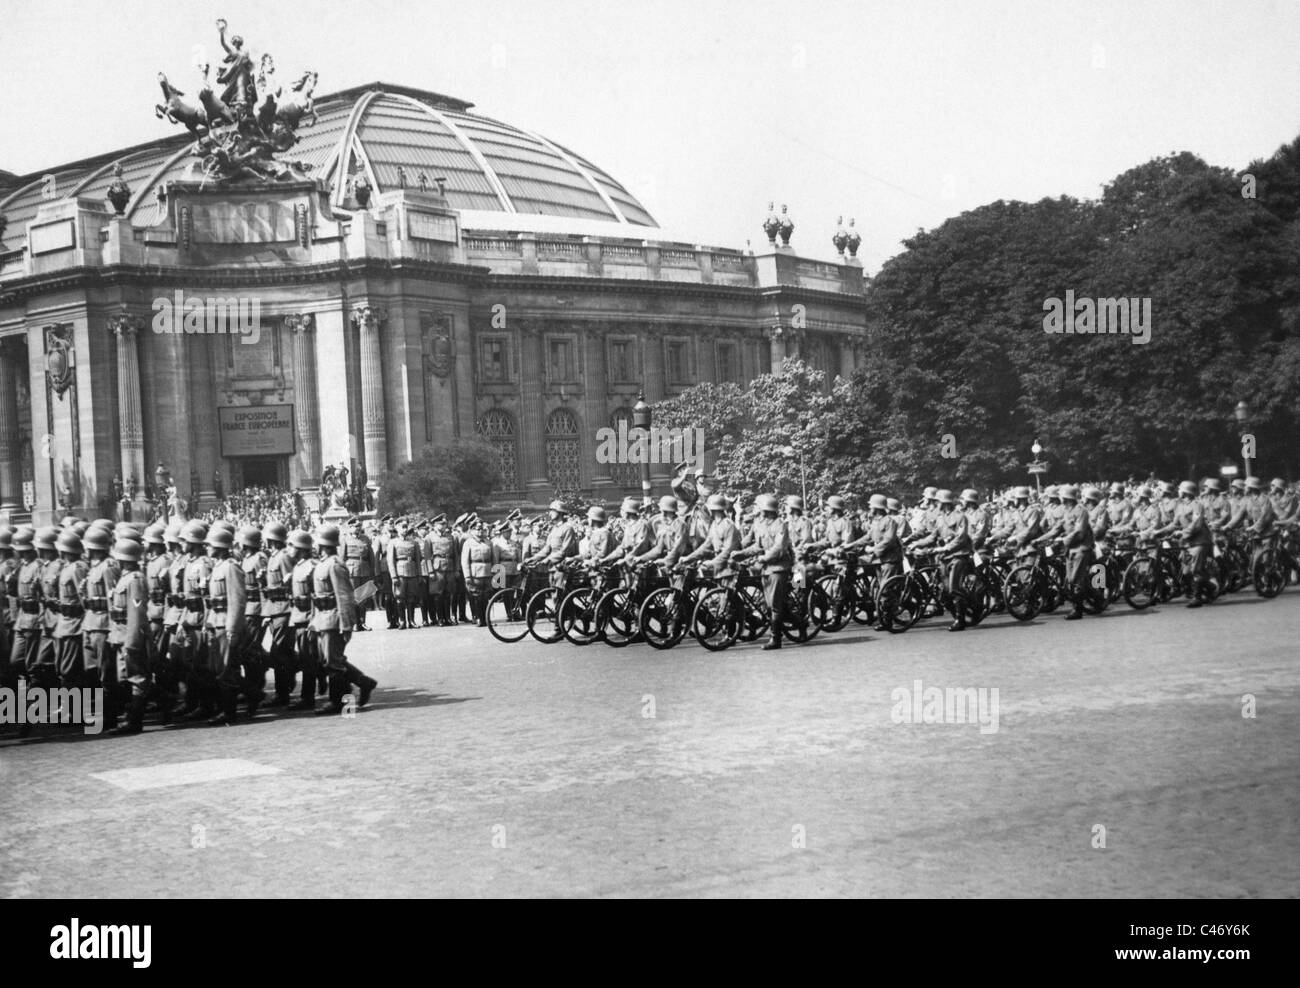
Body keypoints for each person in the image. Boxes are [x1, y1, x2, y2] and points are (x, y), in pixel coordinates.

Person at [310, 524, 376, 716]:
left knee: (333, 663)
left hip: (334, 619)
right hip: (323, 618)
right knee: (329, 659)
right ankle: (364, 683)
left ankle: (338, 702)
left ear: (323, 543)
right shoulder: (322, 564)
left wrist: (346, 625)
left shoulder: (335, 565)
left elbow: (344, 597)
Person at [108, 539, 151, 734]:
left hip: (129, 636)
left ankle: (135, 721)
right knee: (125, 677)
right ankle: (131, 716)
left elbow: (136, 613)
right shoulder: (125, 577)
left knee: (137, 678)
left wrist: (132, 641)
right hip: (121, 634)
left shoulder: (134, 579)